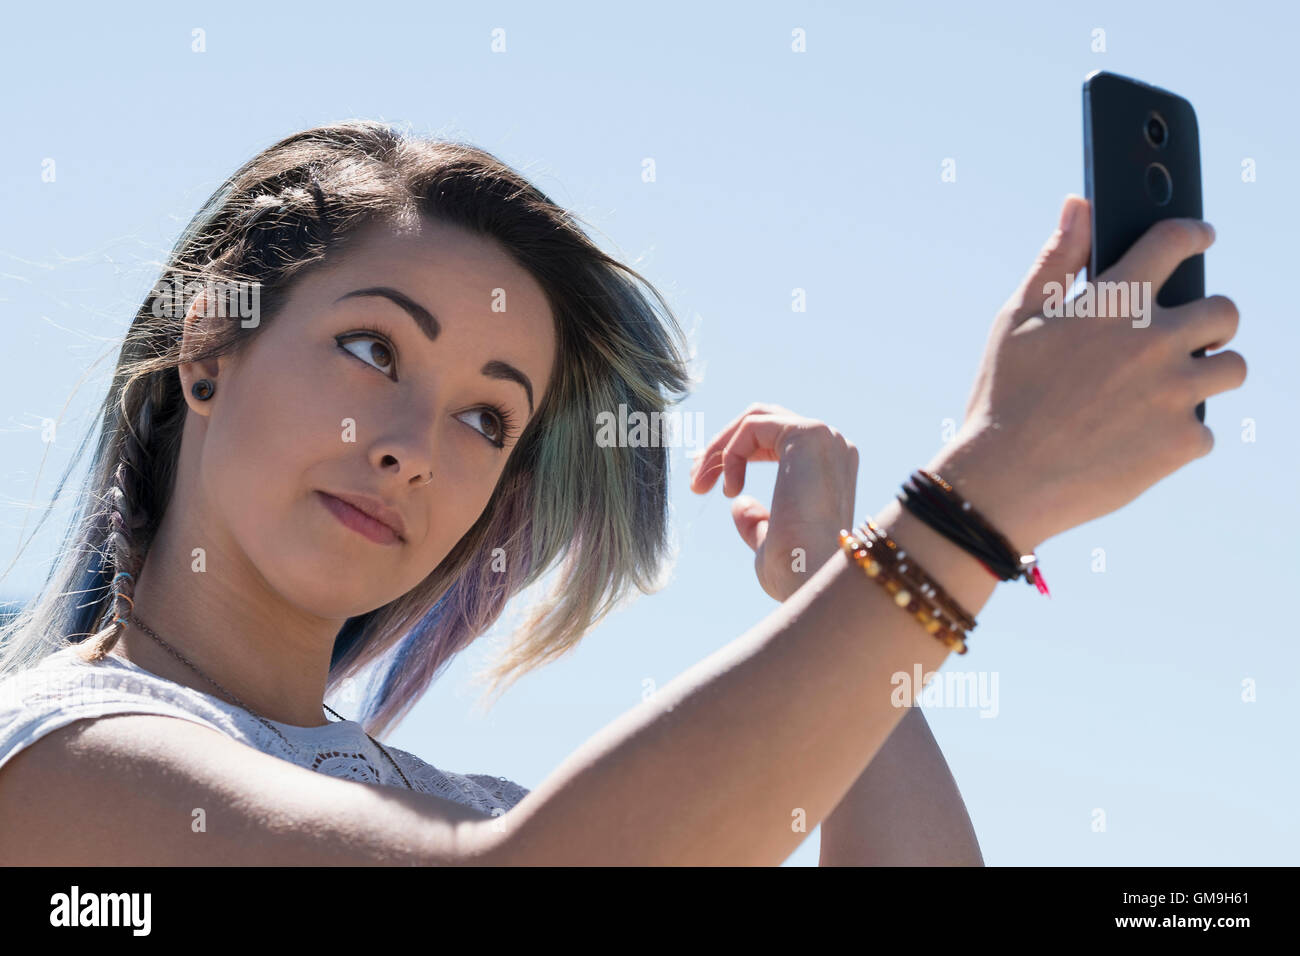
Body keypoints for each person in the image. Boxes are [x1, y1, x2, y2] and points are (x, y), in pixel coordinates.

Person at [0, 121, 1245, 865]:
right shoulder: (58, 765)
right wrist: (978, 505)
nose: (415, 447)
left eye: (488, 415)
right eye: (376, 349)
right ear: (208, 352)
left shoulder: (471, 809)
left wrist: (836, 578)